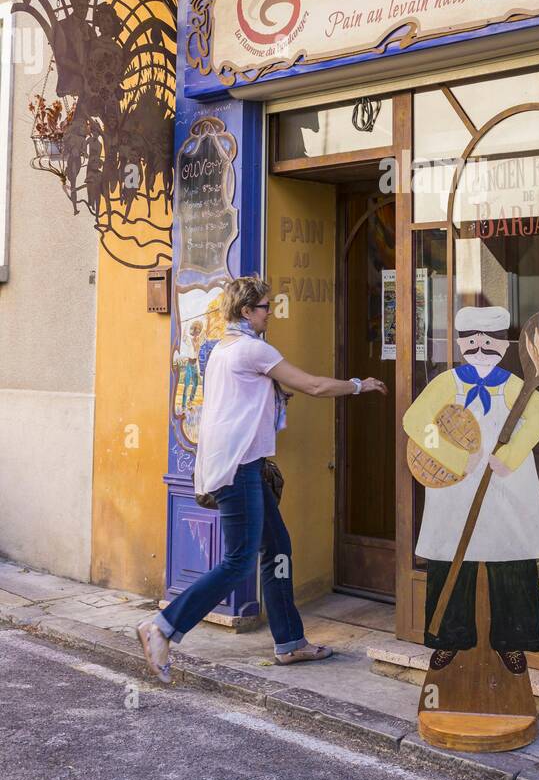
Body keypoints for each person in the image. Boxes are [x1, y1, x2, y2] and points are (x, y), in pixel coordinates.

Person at [138, 275, 387, 683]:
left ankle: (290, 643)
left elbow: (244, 400)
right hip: (237, 468)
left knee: (277, 548)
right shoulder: (253, 350)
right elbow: (313, 385)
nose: (270, 312)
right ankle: (163, 627)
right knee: (239, 562)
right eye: (265, 306)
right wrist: (360, 384)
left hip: (239, 464)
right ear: (247, 311)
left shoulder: (223, 348)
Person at [402, 306, 539, 676]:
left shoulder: (516, 386)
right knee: (451, 558)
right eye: (472, 341)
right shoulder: (446, 383)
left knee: (512, 560)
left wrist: (511, 455)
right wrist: (456, 457)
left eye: (489, 341)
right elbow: (415, 420)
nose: (481, 347)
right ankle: (447, 638)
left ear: (504, 344)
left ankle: (515, 640)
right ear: (459, 343)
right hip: (455, 488)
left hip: (506, 486)